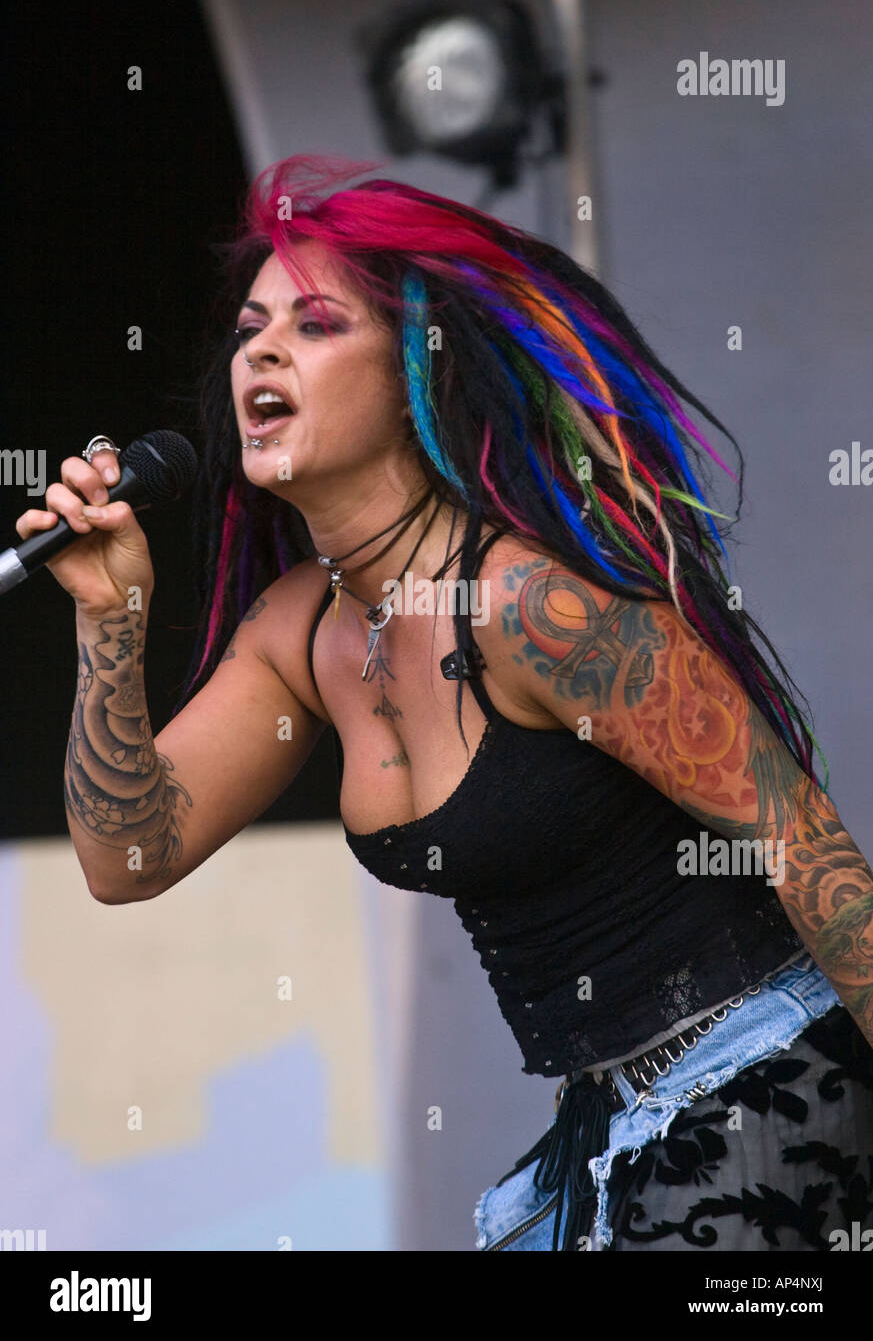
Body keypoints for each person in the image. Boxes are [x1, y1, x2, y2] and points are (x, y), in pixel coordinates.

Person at [17, 155, 873, 1252]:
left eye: (316, 324)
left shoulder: (531, 607)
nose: (262, 351)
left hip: (763, 1075)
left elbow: (803, 842)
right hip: (603, 1129)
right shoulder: (299, 631)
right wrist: (110, 619)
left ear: (419, 372)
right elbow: (128, 857)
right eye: (249, 329)